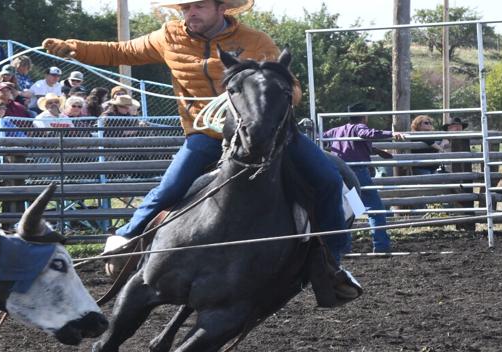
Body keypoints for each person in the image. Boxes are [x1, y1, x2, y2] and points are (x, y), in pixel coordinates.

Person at [42, 0, 363, 300]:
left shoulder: (257, 41)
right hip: (206, 133)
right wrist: (73, 48)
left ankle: (331, 263)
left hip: (269, 134)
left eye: (198, 6)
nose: (189, 13)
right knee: (169, 188)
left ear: (220, 7)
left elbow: (291, 86)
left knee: (328, 180)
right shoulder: (168, 37)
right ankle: (126, 239)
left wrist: (282, 91)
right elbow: (119, 51)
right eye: (185, 7)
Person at [322, 108, 401, 254]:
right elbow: (365, 134)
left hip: (341, 173)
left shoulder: (336, 131)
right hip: (358, 173)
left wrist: (375, 150)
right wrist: (391, 134)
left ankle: (344, 247)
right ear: (364, 117)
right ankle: (381, 245)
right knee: (375, 208)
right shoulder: (360, 127)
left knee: (349, 210)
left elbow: (325, 138)